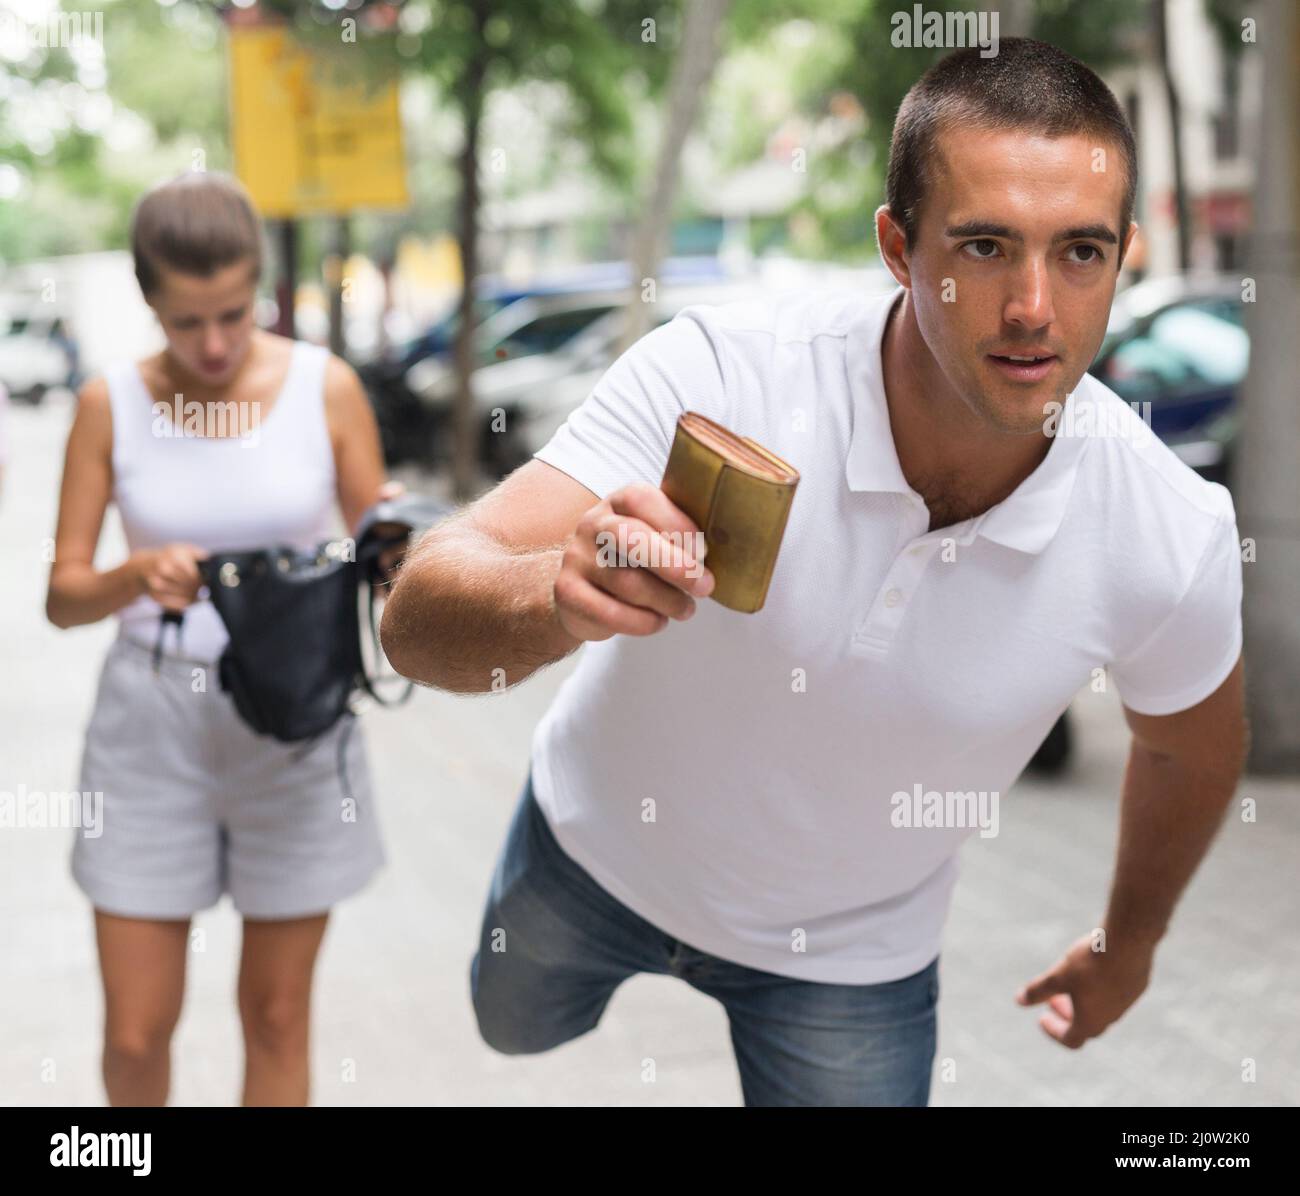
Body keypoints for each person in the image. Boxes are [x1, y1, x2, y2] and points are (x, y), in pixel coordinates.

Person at [380, 39, 1246, 1107]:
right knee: (506, 1028)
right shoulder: (722, 373)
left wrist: (1132, 940)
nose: (1033, 306)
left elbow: (1187, 748)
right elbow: (414, 617)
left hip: (848, 954)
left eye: (1079, 252)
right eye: (982, 246)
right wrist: (551, 593)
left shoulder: (1168, 526)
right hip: (594, 850)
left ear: (1126, 253)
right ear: (896, 244)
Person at [46, 171, 394, 1107]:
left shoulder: (326, 387)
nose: (213, 344)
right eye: (185, 321)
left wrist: (408, 548)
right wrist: (132, 574)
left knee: (277, 1018)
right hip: (152, 719)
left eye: (235, 315)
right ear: (148, 300)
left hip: (295, 713)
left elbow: (394, 562)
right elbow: (62, 596)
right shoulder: (106, 404)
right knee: (133, 1032)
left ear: (263, 292)